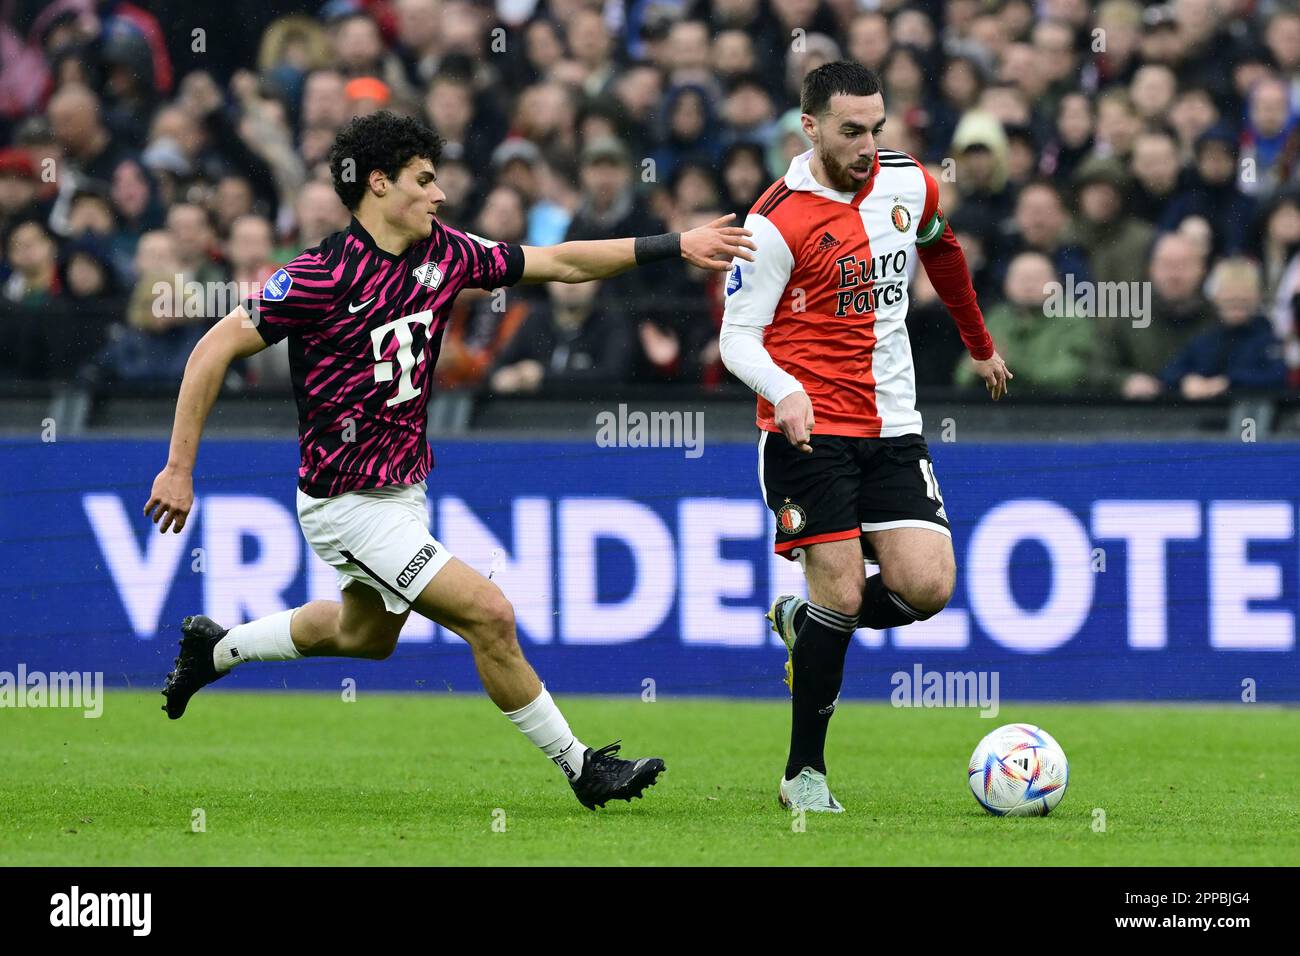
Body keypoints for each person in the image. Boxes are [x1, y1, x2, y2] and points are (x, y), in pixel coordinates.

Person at [143, 111, 754, 810]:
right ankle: (582, 766)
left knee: (364, 636)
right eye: (424, 180)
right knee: (488, 614)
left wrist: (675, 243)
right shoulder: (319, 275)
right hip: (346, 504)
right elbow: (213, 348)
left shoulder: (448, 253)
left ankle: (214, 649)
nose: (439, 195)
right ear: (379, 184)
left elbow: (559, 262)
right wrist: (179, 468)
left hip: (403, 494)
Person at [719, 62, 1010, 813]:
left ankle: (803, 622)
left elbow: (941, 250)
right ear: (809, 127)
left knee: (928, 587)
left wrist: (978, 343)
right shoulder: (773, 221)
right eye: (851, 130)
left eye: (876, 128)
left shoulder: (908, 183)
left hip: (894, 426)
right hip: (807, 433)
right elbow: (736, 339)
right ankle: (803, 776)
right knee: (843, 591)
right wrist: (783, 390)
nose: (866, 145)